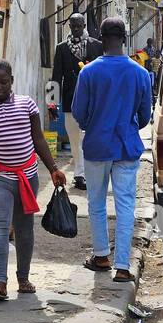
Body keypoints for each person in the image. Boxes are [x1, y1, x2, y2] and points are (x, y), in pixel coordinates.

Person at [0, 59, 66, 301]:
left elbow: (38, 140)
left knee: (24, 229)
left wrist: (54, 168)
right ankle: (0, 283)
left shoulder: (27, 105)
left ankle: (23, 278)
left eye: (4, 82)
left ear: (12, 81)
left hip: (27, 177)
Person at [71, 16, 152, 282]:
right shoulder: (140, 73)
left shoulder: (89, 72)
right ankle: (123, 267)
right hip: (126, 146)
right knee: (126, 205)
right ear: (125, 38)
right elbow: (144, 115)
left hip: (96, 146)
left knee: (96, 202)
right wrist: (126, 127)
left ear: (101, 38)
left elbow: (79, 113)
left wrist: (95, 124)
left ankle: (102, 255)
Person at [49, 12, 102, 190]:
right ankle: (80, 173)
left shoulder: (96, 46)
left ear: (84, 25)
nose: (77, 29)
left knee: (87, 138)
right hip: (71, 99)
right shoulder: (62, 48)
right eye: (73, 26)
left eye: (79, 25)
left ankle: (82, 174)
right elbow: (55, 77)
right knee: (74, 138)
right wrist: (51, 103)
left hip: (93, 101)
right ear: (69, 27)